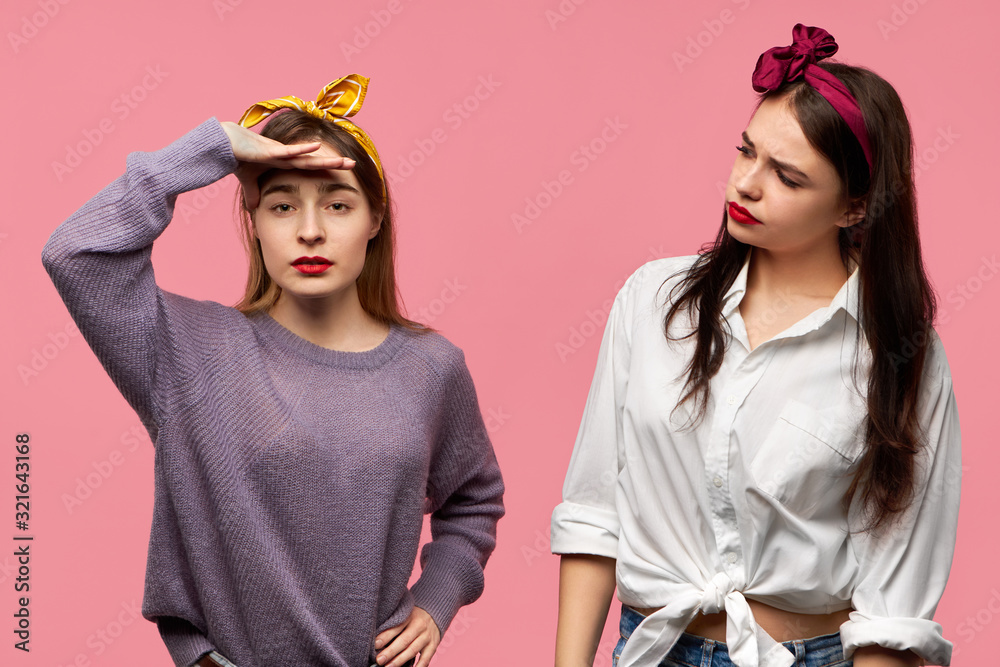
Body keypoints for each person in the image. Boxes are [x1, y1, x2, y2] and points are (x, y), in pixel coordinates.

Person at [42, 74, 505, 667]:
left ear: (375, 219)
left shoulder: (431, 368)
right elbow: (75, 254)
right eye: (282, 205)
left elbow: (473, 500)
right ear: (253, 221)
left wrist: (435, 601)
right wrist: (210, 149)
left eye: (337, 204)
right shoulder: (190, 349)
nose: (309, 230)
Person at [551, 25, 960, 667]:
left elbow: (895, 606)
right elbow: (595, 511)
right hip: (652, 650)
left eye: (788, 178)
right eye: (747, 152)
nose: (745, 184)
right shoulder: (653, 301)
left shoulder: (899, 353)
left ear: (855, 208)